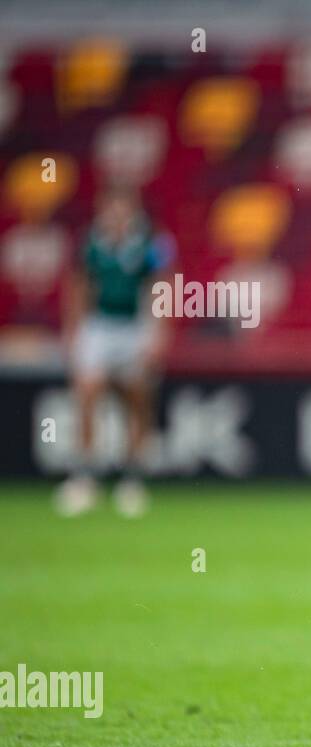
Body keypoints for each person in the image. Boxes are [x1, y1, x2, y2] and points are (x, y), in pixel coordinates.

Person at [56, 189, 174, 517]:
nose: (118, 215)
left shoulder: (152, 242)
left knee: (136, 397)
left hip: (134, 326)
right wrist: (73, 330)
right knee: (88, 393)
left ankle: (132, 477)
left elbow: (162, 286)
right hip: (99, 326)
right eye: (112, 208)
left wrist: (159, 332)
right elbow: (79, 286)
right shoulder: (91, 242)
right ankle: (85, 475)